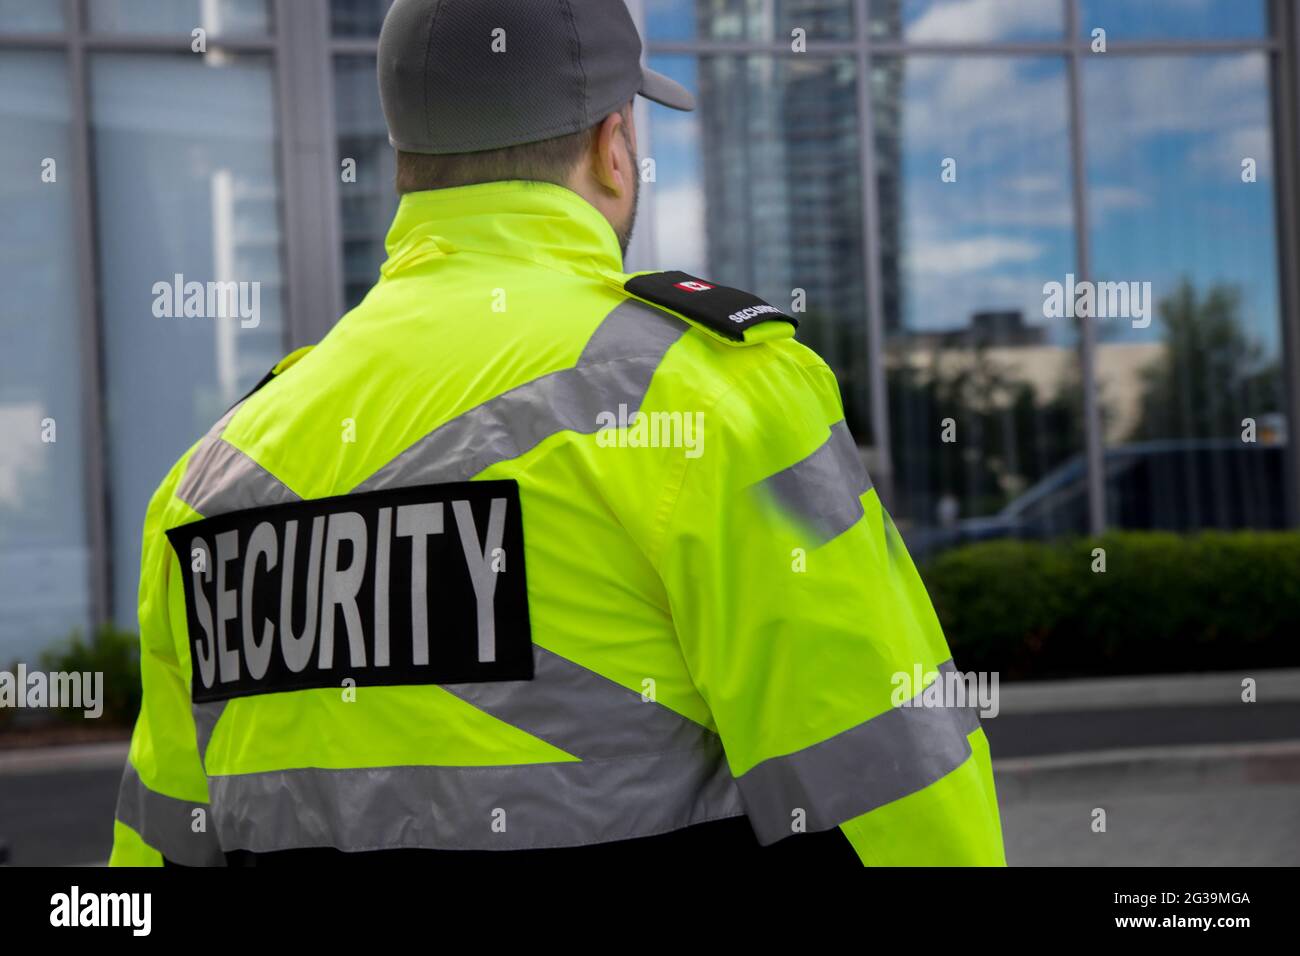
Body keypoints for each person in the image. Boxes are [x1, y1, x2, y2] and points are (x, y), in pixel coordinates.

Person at [110, 0, 1005, 867]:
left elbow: (157, 852)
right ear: (613, 149)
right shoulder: (710, 395)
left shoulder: (209, 481)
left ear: (403, 168)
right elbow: (894, 789)